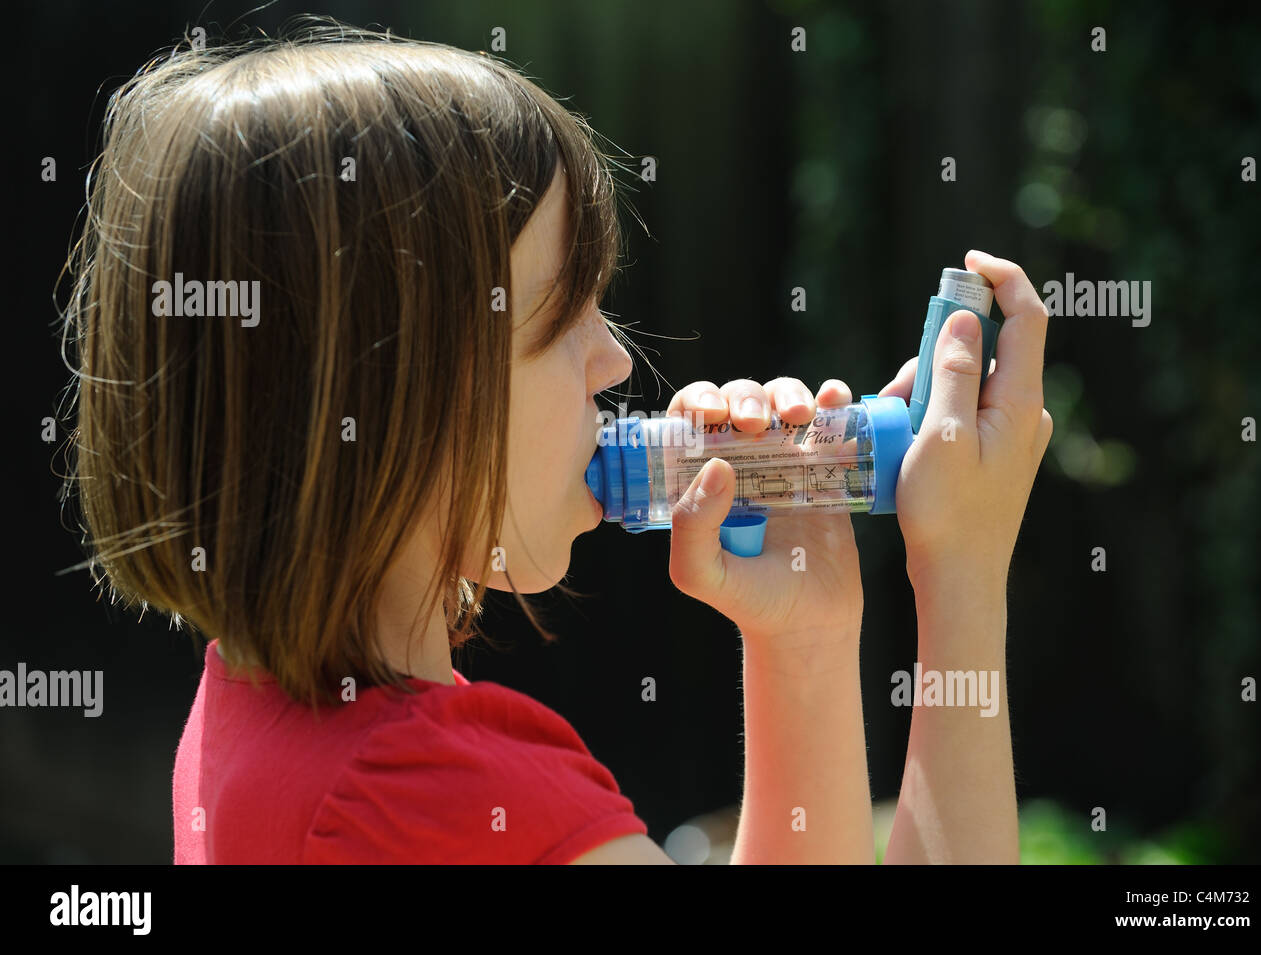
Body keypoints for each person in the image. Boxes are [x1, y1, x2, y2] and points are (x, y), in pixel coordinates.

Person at [60, 19, 1051, 864]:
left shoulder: (258, 711)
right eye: (563, 313)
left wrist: (806, 637)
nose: (615, 362)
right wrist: (959, 571)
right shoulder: (439, 793)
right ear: (392, 392)